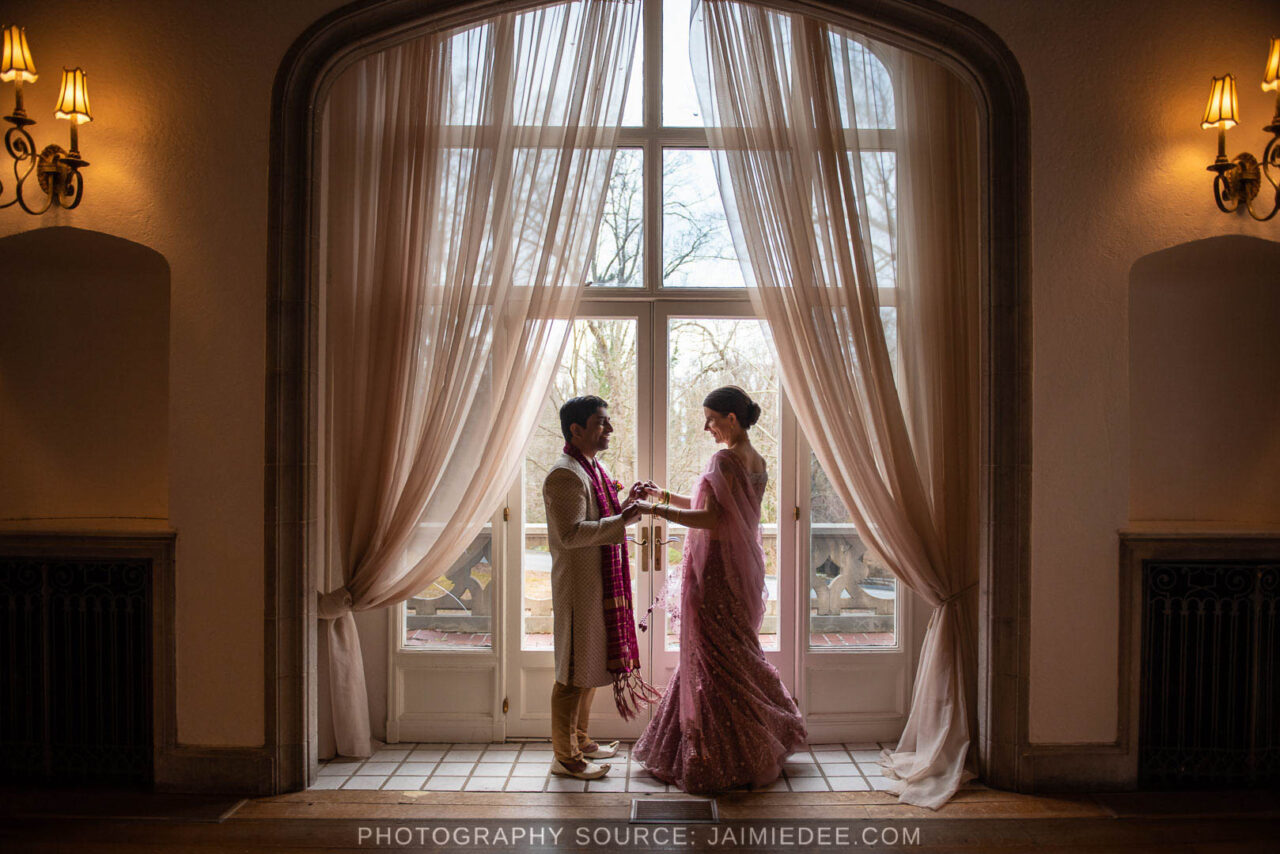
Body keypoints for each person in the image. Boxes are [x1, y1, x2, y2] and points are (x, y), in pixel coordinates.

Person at [630, 385, 807, 792]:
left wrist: (653, 510)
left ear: (731, 418)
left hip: (715, 576)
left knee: (714, 661)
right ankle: (759, 737)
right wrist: (663, 495)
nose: (706, 427)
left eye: (711, 418)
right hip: (739, 572)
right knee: (730, 656)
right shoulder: (756, 460)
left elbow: (710, 520)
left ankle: (721, 753)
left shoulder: (725, 459)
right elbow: (718, 512)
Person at [543, 395, 659, 780]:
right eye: (600, 422)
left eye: (608, 422)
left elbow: (599, 518)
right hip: (578, 591)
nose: (609, 429)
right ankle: (565, 757)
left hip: (596, 587)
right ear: (576, 429)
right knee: (571, 675)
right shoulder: (565, 474)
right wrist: (623, 520)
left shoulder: (590, 467)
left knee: (590, 667)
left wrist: (626, 503)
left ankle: (581, 739)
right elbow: (571, 534)